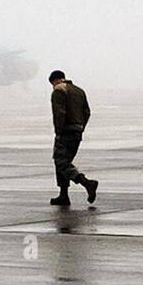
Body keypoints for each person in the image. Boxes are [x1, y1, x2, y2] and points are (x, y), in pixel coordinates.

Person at [48, 70, 98, 206]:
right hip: (77, 132)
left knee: (60, 162)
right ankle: (63, 195)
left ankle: (86, 183)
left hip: (65, 132)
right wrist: (80, 127)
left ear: (55, 81)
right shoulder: (79, 91)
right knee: (64, 162)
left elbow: (59, 113)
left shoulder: (59, 90)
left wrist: (58, 132)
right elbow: (87, 112)